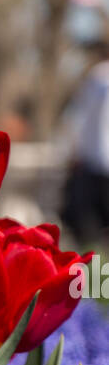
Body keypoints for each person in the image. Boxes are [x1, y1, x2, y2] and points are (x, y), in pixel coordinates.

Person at [61, 38, 109, 246]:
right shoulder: (98, 79)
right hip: (95, 163)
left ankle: (96, 273)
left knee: (89, 231)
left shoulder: (98, 78)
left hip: (94, 163)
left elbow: (78, 120)